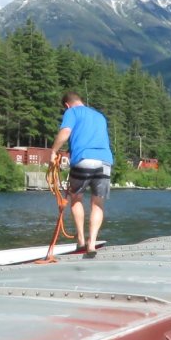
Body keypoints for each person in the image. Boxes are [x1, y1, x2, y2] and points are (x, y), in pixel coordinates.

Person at [49, 91, 113, 256]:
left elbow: (65, 132)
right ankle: (92, 244)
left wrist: (54, 151)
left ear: (67, 105)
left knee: (76, 198)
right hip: (105, 161)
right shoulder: (100, 116)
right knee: (97, 203)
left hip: (83, 159)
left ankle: (81, 241)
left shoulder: (72, 112)